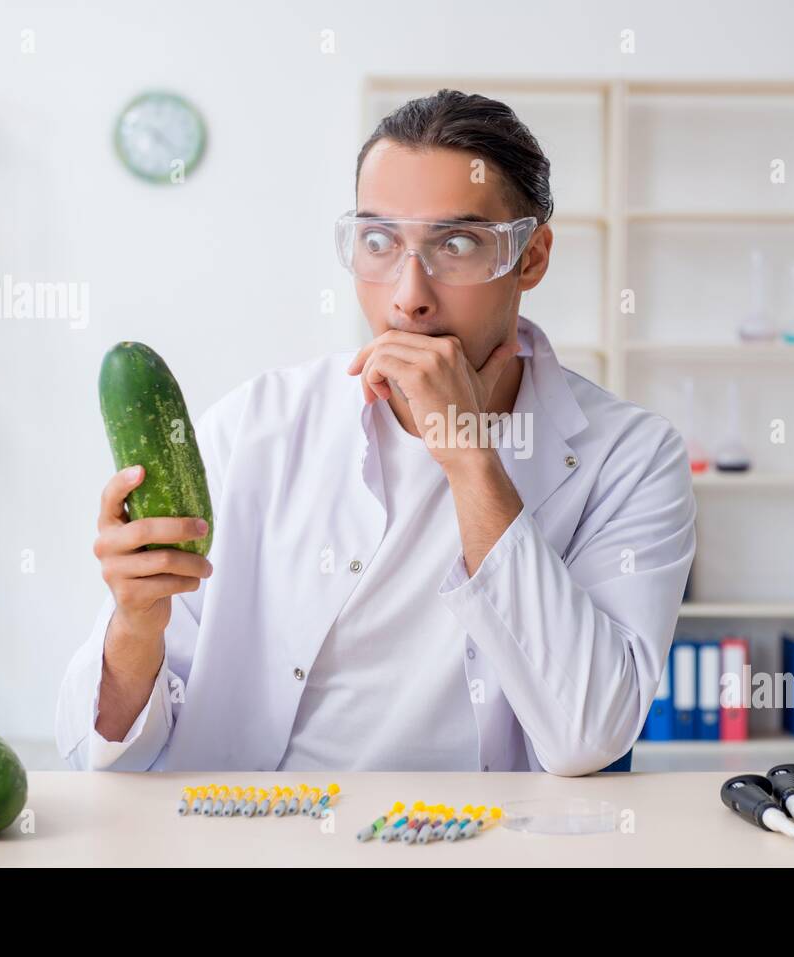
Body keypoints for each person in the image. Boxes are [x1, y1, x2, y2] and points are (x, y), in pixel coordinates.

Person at [56, 89, 696, 774]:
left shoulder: (631, 458)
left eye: (456, 243)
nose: (407, 294)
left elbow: (589, 735)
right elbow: (98, 754)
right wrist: (134, 624)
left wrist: (471, 460)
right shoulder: (254, 426)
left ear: (531, 257)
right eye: (379, 242)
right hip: (245, 834)